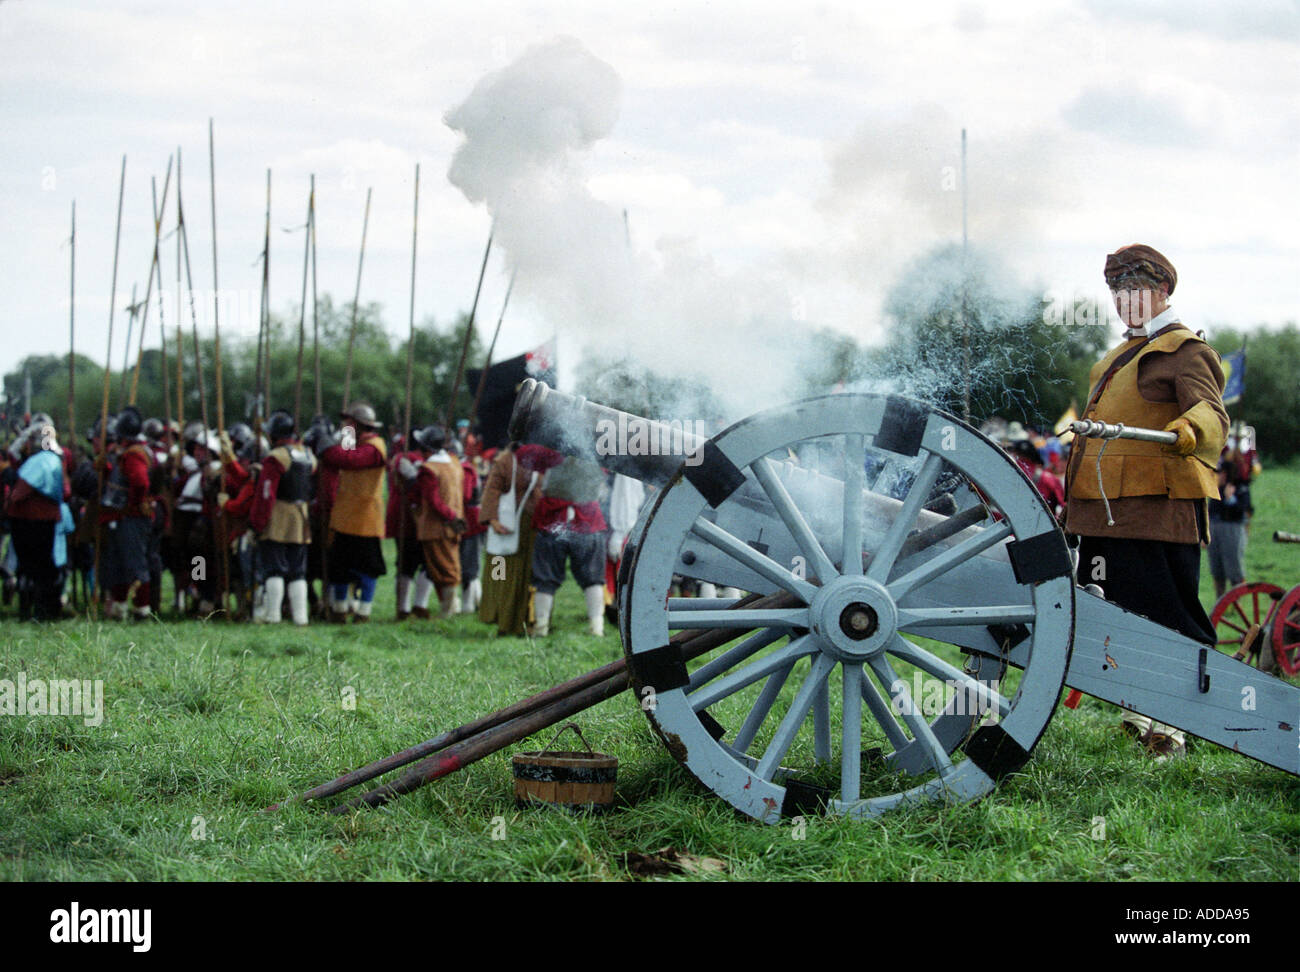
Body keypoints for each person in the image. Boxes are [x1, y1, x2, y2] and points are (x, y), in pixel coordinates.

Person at [1064, 243, 1228, 759]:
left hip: (1158, 508)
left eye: (1134, 290)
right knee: (1119, 617)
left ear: (1160, 292)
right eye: (1116, 291)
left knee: (1168, 617)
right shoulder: (1115, 358)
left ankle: (1173, 729)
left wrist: (1186, 429)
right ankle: (1138, 714)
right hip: (1103, 510)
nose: (1123, 301)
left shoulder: (1186, 351)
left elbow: (1213, 415)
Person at [521, 445, 610, 637]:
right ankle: (597, 627)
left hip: (554, 522)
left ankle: (542, 627)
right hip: (586, 523)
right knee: (592, 578)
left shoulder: (549, 454)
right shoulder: (596, 454)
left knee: (546, 577)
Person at [317, 401, 387, 623]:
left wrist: (325, 441)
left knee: (367, 569)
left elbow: (345, 459)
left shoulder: (375, 447)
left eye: (349, 422)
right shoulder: (355, 441)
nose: (345, 425)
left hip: (364, 518)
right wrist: (335, 432)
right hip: (346, 516)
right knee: (339, 568)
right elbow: (344, 452)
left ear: (359, 425)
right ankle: (339, 609)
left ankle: (363, 612)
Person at [246, 410, 316, 626]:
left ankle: (273, 615)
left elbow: (266, 495)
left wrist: (257, 523)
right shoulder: (308, 455)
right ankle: (300, 617)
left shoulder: (275, 458)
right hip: (301, 516)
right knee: (297, 570)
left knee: (274, 567)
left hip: (277, 516)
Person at [478, 443, 542, 636]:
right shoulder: (505, 460)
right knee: (501, 574)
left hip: (527, 528)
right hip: (505, 527)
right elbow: (493, 489)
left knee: (524, 577)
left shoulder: (537, 461)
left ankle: (523, 620)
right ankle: (502, 620)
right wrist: (493, 520)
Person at [409, 424, 466, 618]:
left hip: (438, 525)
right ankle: (451, 607)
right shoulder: (454, 462)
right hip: (455, 521)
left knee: (444, 571)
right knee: (449, 567)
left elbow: (433, 500)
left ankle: (449, 611)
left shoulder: (429, 469)